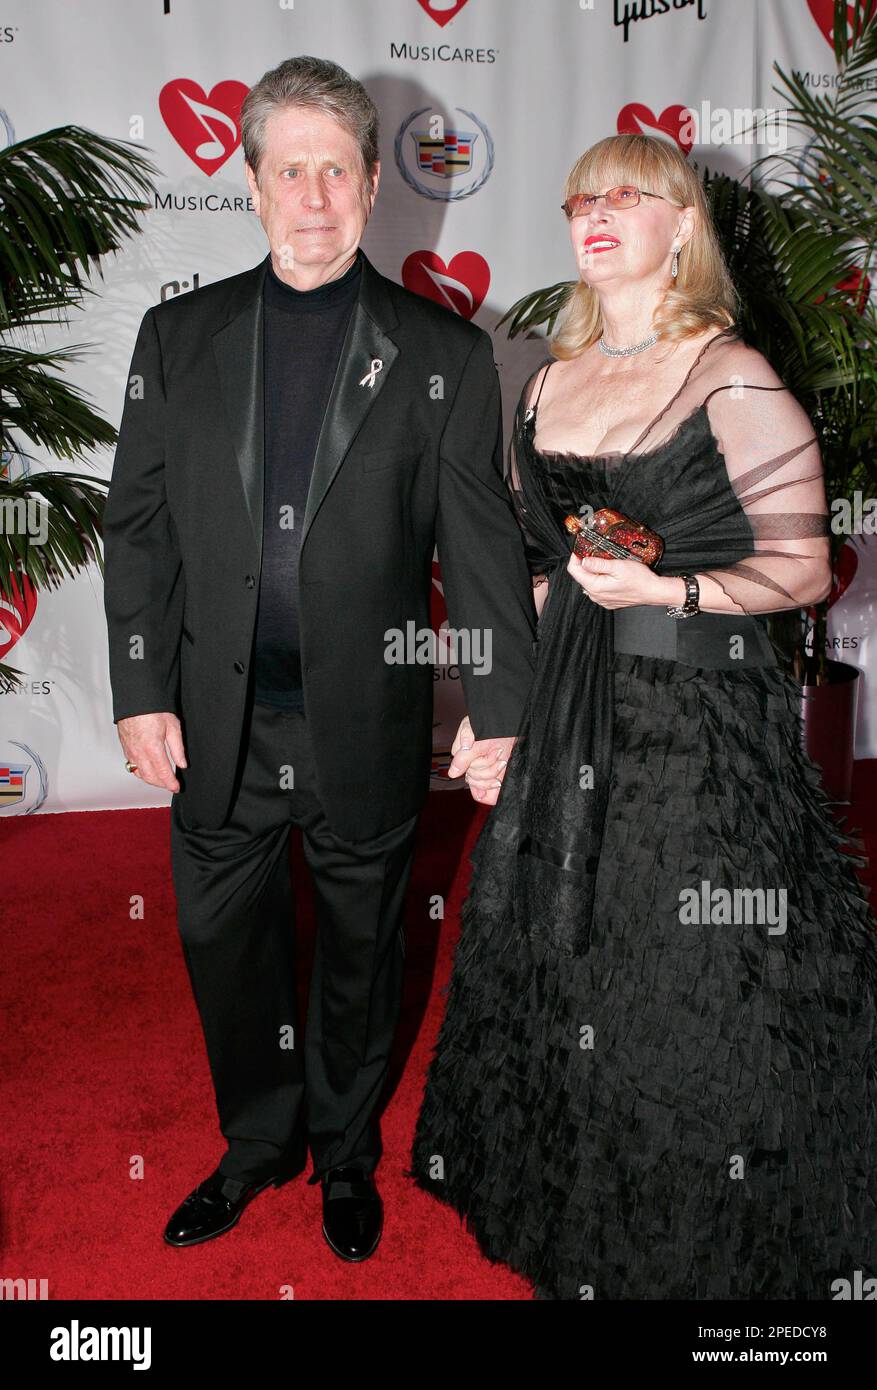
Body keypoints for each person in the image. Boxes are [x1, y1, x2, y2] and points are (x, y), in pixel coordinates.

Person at [410, 133, 877, 1299]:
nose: (600, 212)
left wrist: (675, 588)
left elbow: (807, 568)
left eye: (633, 194)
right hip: (570, 696)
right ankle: (575, 1205)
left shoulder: (732, 375)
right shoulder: (549, 378)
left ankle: (709, 1230)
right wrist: (493, 711)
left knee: (694, 963)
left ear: (682, 230)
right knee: (565, 948)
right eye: (583, 197)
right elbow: (529, 573)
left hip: (697, 711)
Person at [103, 55, 535, 1261]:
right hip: (214, 718)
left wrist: (499, 706)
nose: (311, 193)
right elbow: (136, 523)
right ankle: (256, 1147)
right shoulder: (174, 337)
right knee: (221, 947)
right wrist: (140, 689)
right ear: (249, 186)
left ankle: (347, 1152)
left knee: (360, 950)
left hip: (363, 717)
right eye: (286, 168)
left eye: (333, 168)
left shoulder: (441, 356)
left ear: (368, 184)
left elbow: (483, 547)